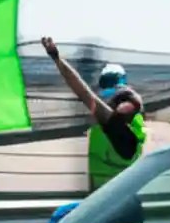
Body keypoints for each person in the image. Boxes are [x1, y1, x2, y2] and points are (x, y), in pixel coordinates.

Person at [41, 36, 146, 191]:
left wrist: (56, 58)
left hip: (102, 199)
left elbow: (81, 90)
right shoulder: (131, 125)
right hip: (118, 195)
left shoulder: (110, 123)